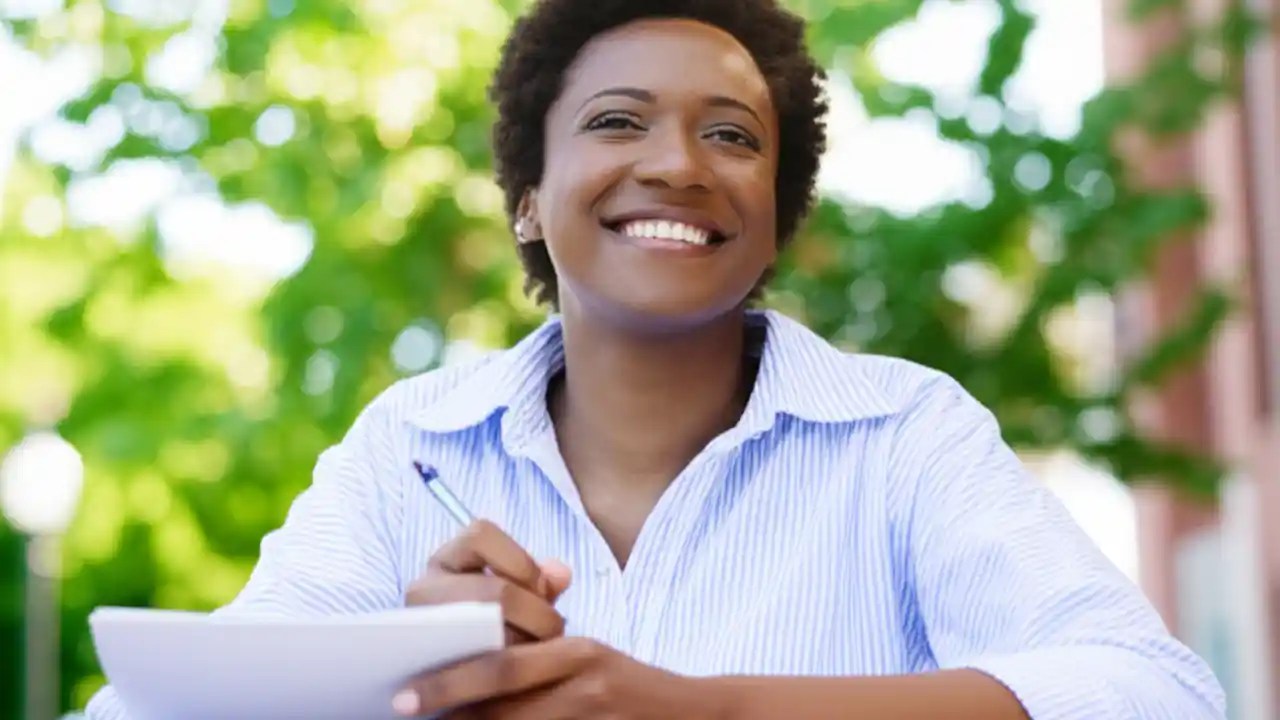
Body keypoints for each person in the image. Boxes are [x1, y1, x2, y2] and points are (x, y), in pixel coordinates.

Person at [87, 0, 1228, 717]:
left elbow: (1153, 695)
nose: (678, 164)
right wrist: (396, 665)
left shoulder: (904, 434)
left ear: (774, 217)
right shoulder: (410, 447)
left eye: (731, 135)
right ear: (528, 203)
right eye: (617, 122)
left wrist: (702, 710)